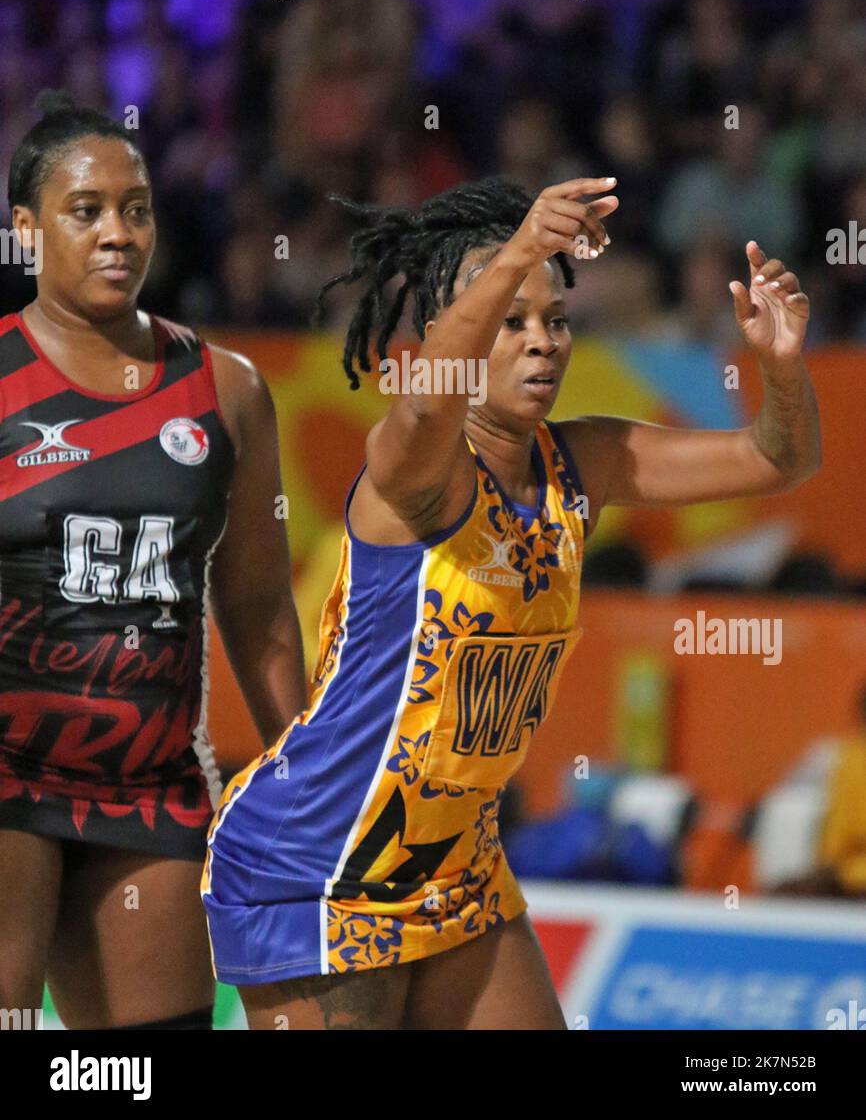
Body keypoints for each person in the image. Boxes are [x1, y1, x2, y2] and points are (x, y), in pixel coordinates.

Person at [202, 174, 821, 1030]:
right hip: (321, 855)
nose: (544, 345)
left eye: (556, 321)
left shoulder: (585, 465)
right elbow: (423, 401)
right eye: (511, 323)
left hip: (456, 859)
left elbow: (775, 461)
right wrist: (525, 248)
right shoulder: (415, 472)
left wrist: (782, 370)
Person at [0, 92, 306, 1029]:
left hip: (150, 790)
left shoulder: (229, 391)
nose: (117, 233)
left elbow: (256, 611)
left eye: (136, 209)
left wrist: (311, 780)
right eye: (84, 210)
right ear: (24, 231)